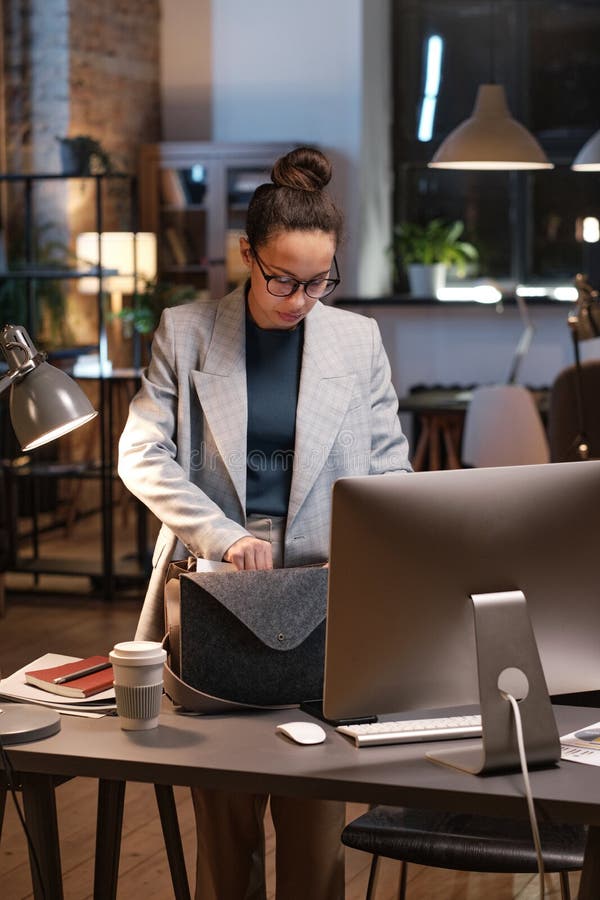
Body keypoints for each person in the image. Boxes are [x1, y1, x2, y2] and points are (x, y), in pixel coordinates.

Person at [118, 146, 411, 900]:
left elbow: (390, 473)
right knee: (225, 821)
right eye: (282, 278)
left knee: (315, 828)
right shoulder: (186, 333)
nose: (299, 298)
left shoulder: (357, 340)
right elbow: (140, 453)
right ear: (247, 253)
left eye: (319, 282)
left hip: (326, 594)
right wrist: (223, 534)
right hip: (217, 593)